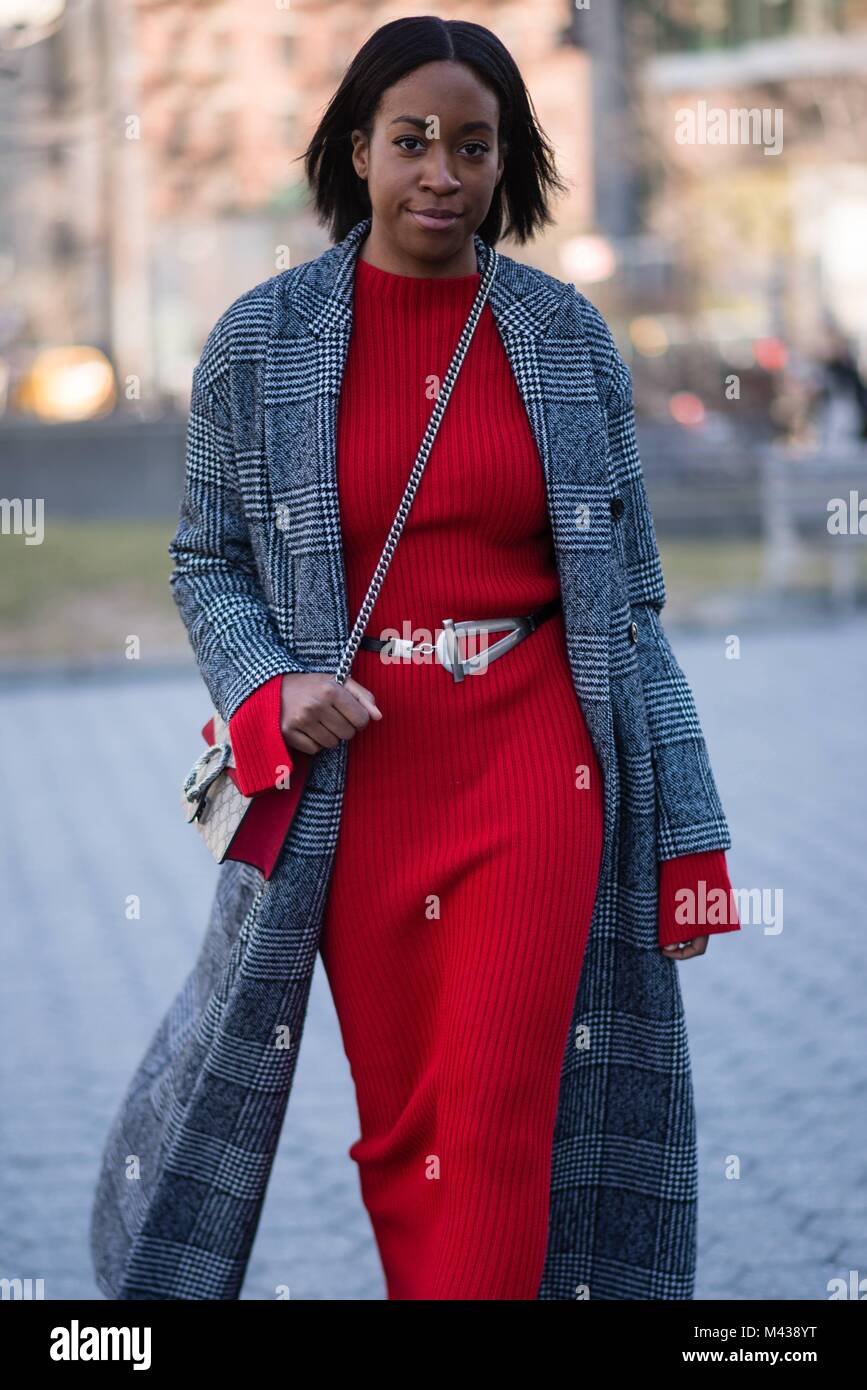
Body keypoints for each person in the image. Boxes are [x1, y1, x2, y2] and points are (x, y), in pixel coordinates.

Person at [90, 15, 739, 1303]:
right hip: (357, 790)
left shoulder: (564, 339)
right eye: (413, 141)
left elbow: (635, 603)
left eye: (476, 146)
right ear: (359, 149)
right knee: (408, 1137)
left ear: (510, 165)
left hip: (536, 767)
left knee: (496, 1119)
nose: (443, 172)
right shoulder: (259, 340)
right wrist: (271, 693)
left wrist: (691, 834)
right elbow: (204, 561)